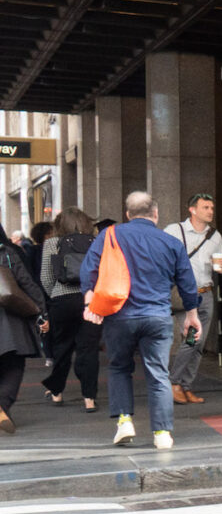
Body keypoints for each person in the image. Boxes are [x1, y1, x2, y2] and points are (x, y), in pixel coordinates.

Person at [80, 192, 200, 450]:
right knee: (159, 374)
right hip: (157, 316)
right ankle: (162, 433)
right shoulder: (171, 242)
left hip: (120, 316)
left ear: (127, 214)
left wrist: (89, 300)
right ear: (155, 214)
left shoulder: (109, 235)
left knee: (120, 367)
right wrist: (192, 315)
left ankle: (124, 421)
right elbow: (188, 283)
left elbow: (88, 269)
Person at [38, 208, 100, 412]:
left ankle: (56, 393)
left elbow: (46, 277)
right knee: (88, 350)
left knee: (61, 348)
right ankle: (89, 398)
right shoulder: (95, 241)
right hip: (89, 300)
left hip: (61, 301)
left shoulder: (51, 243)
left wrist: (55, 294)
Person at [167, 194, 222, 404]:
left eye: (212, 207)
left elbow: (219, 265)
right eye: (205, 207)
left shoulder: (215, 236)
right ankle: (174, 383)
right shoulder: (175, 231)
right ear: (192, 210)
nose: (210, 211)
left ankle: (185, 386)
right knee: (192, 339)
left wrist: (221, 266)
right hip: (185, 296)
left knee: (198, 344)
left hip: (206, 293)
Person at [0, 221, 46, 434]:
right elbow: (26, 283)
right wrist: (42, 312)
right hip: (10, 320)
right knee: (14, 364)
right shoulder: (8, 253)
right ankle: (2, 405)